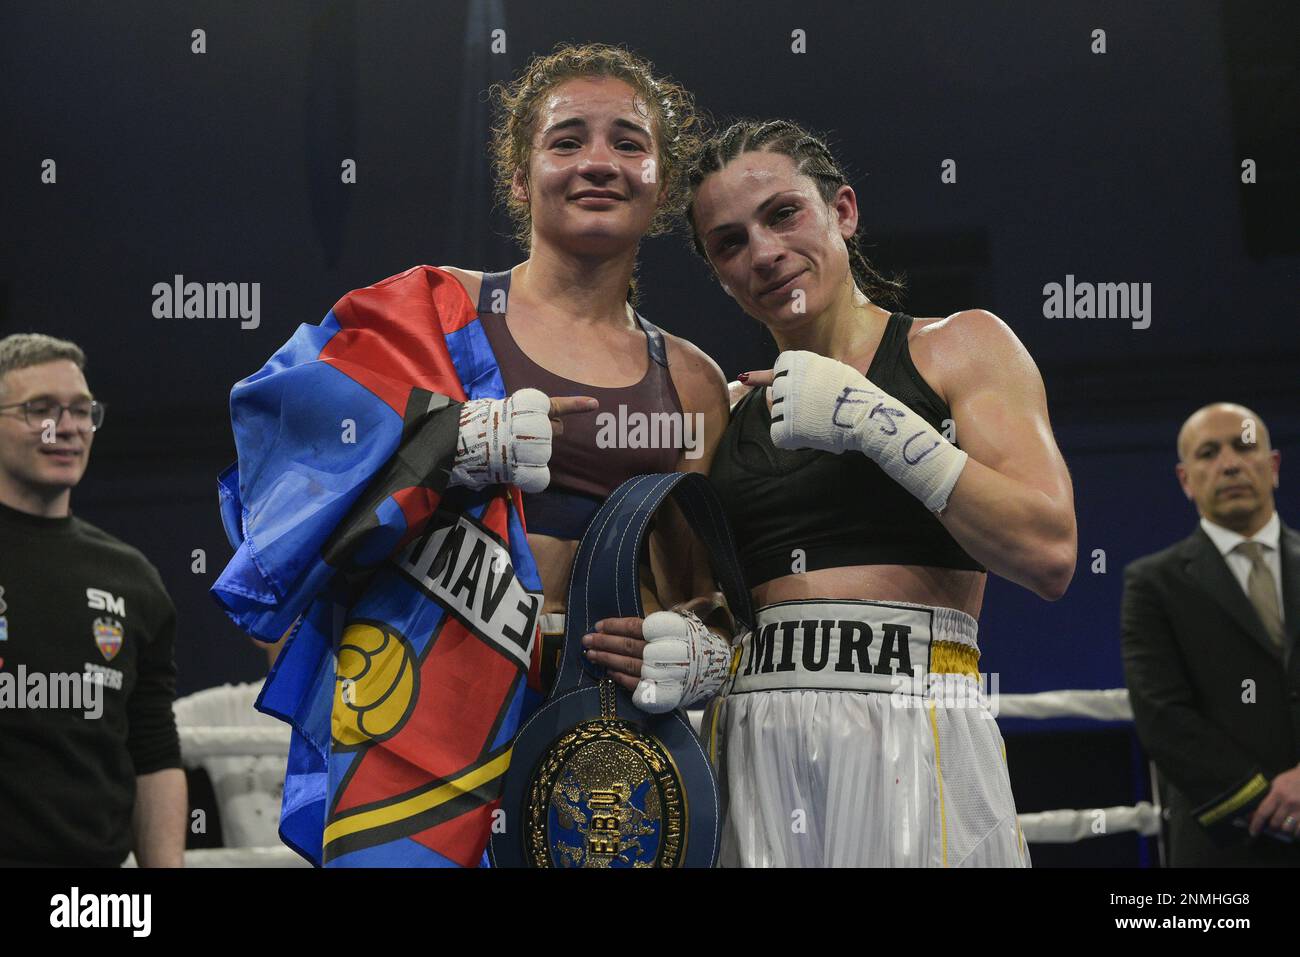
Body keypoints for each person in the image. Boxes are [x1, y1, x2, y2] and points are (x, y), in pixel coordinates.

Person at [213, 44, 733, 867]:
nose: (598, 161)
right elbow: (277, 455)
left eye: (628, 142)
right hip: (427, 712)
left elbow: (702, 592)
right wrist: (452, 440)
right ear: (522, 179)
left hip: (599, 736)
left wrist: (705, 653)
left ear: (660, 184)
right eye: (566, 141)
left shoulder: (693, 382)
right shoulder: (434, 312)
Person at [591, 119, 1077, 867]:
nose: (764, 253)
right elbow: (691, 605)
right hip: (751, 744)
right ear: (720, 273)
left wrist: (875, 421)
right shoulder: (720, 416)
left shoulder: (960, 347)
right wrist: (703, 651)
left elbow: (1048, 551)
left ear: (842, 211)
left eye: (783, 214)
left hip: (914, 725)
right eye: (730, 242)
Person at [0, 333, 186, 867]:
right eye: (41, 409)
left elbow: (152, 750)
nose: (69, 427)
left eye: (82, 411)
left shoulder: (131, 578)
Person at [1122, 402, 1299, 866]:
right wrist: (1263, 801)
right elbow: (1161, 714)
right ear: (1185, 479)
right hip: (1224, 841)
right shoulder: (1153, 584)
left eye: (1243, 446)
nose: (1230, 463)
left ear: (1273, 465)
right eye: (1209, 452)